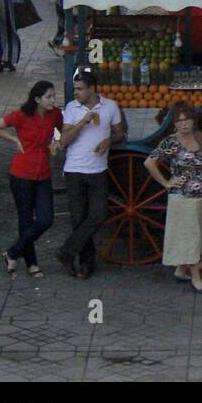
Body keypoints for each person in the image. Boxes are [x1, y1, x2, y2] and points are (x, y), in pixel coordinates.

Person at [0, 80, 61, 278]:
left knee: (46, 219)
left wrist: (55, 142)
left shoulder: (55, 114)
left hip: (43, 173)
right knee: (25, 219)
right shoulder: (22, 115)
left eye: (54, 96)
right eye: (49, 97)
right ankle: (32, 263)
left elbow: (61, 130)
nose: (53, 100)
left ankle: (12, 252)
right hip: (21, 174)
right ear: (37, 99)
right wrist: (14, 139)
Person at [56, 70, 124, 278]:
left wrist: (109, 141)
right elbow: (65, 140)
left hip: (97, 170)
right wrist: (83, 122)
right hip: (74, 170)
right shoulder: (71, 108)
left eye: (80, 89)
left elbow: (120, 133)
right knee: (78, 219)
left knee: (98, 215)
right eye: (75, 89)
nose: (76, 93)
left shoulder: (110, 106)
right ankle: (85, 264)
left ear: (92, 89)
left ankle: (67, 251)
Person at [144, 102, 202, 294]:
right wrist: (166, 182)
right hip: (182, 197)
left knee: (196, 234)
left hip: (201, 196)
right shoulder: (171, 142)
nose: (184, 124)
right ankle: (195, 277)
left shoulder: (199, 137)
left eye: (187, 119)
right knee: (190, 237)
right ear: (174, 124)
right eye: (179, 121)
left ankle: (180, 270)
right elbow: (149, 162)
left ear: (193, 120)